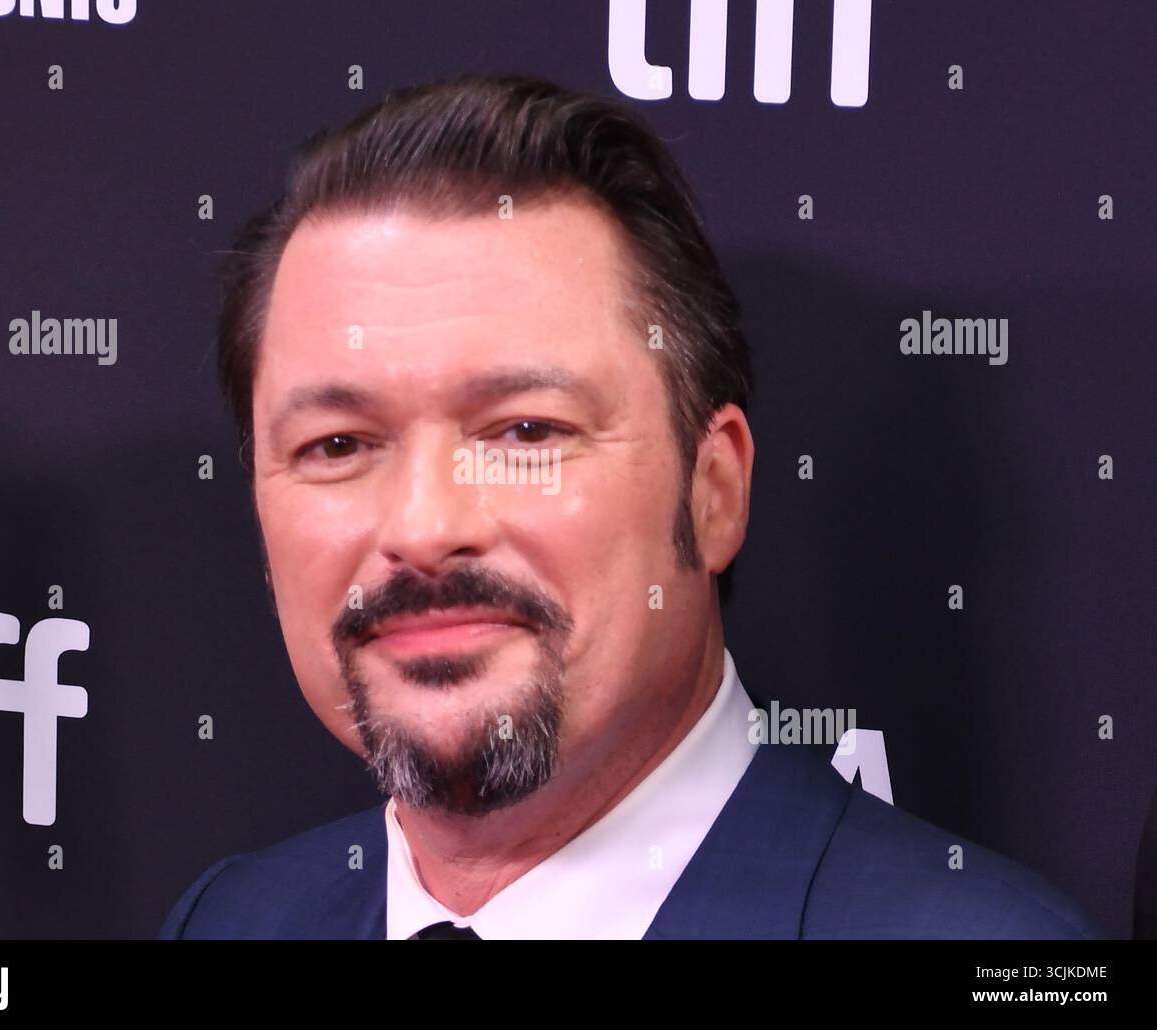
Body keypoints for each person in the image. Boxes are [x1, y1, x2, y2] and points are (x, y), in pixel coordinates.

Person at [160, 73, 1101, 940]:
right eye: (338, 446)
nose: (422, 528)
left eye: (526, 433)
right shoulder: (231, 921)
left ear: (715, 491)